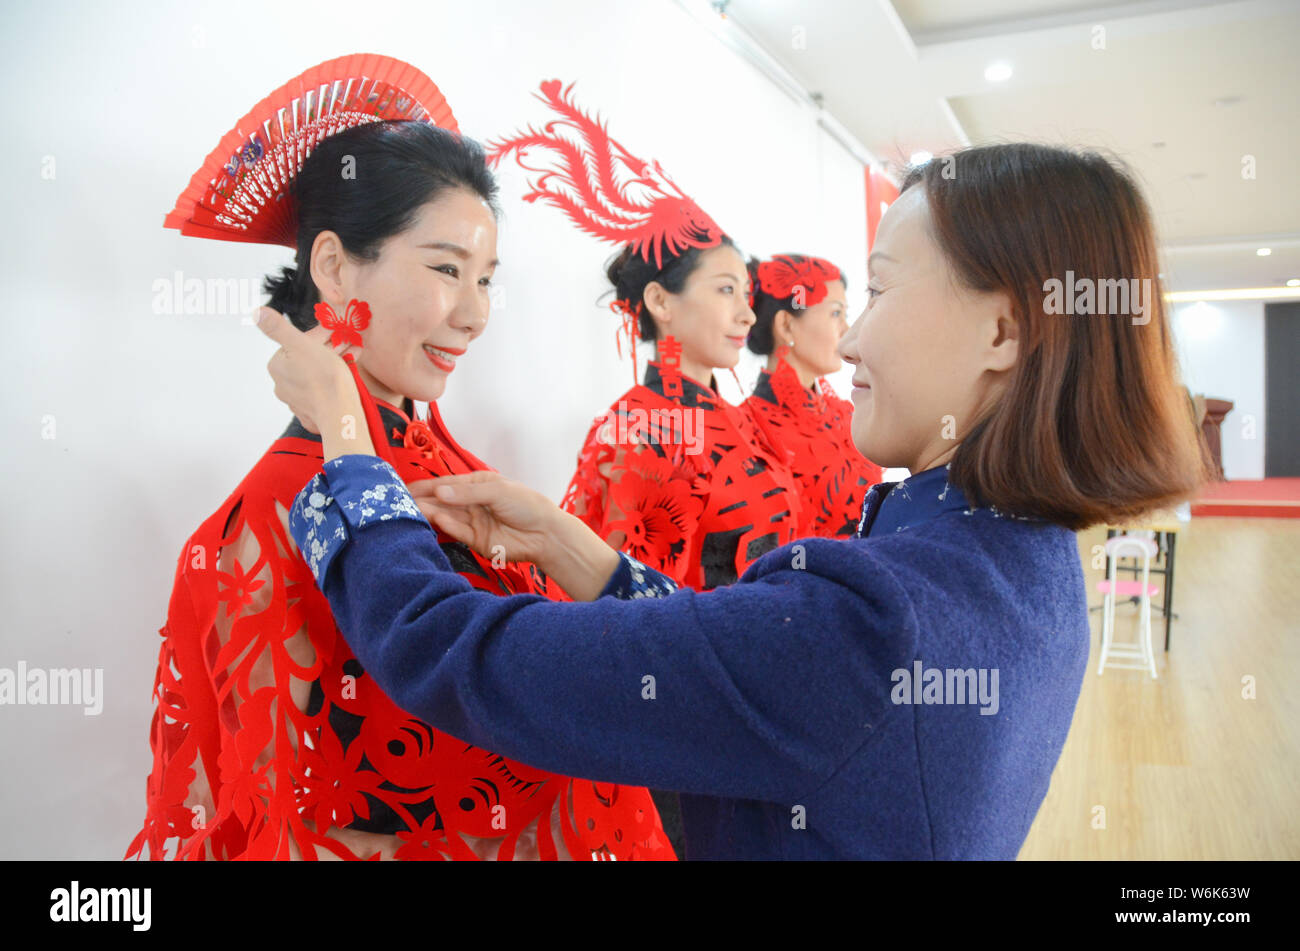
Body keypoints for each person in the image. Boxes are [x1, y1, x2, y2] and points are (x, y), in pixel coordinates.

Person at [256, 141, 1212, 859]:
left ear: (1004, 330)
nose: (852, 341)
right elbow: (767, 657)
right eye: (445, 269)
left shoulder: (883, 617)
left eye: (872, 294)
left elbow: (456, 652)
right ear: (336, 270)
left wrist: (349, 450)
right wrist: (585, 556)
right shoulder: (1022, 562)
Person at [129, 54, 673, 862]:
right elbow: (282, 819)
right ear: (333, 265)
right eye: (447, 269)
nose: (476, 313)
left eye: (487, 278)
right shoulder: (270, 513)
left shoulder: (466, 487)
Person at [486, 81, 803, 850]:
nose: (743, 312)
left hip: (757, 701)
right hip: (684, 727)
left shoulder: (732, 419)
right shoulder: (635, 430)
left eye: (748, 295)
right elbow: (605, 598)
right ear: (661, 302)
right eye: (726, 291)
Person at [742, 253, 884, 537]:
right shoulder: (748, 429)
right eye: (835, 313)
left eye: (845, 313)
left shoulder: (846, 413)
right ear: (786, 325)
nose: (848, 329)